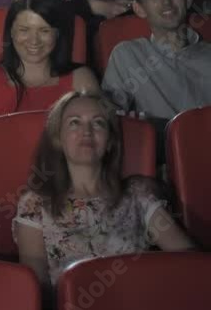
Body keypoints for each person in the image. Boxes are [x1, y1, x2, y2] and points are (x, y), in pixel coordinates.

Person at [13, 91, 195, 287]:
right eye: (75, 122)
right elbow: (37, 288)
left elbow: (190, 261)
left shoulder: (138, 194)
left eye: (98, 122)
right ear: (59, 139)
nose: (87, 131)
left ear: (109, 142)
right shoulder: (35, 204)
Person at [0, 0, 99, 133]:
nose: (34, 40)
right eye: (24, 30)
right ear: (11, 31)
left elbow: (97, 144)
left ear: (57, 33)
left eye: (44, 30)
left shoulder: (82, 79)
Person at [103, 0, 211, 125]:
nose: (166, 1)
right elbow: (108, 117)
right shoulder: (128, 55)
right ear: (139, 8)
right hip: (161, 146)